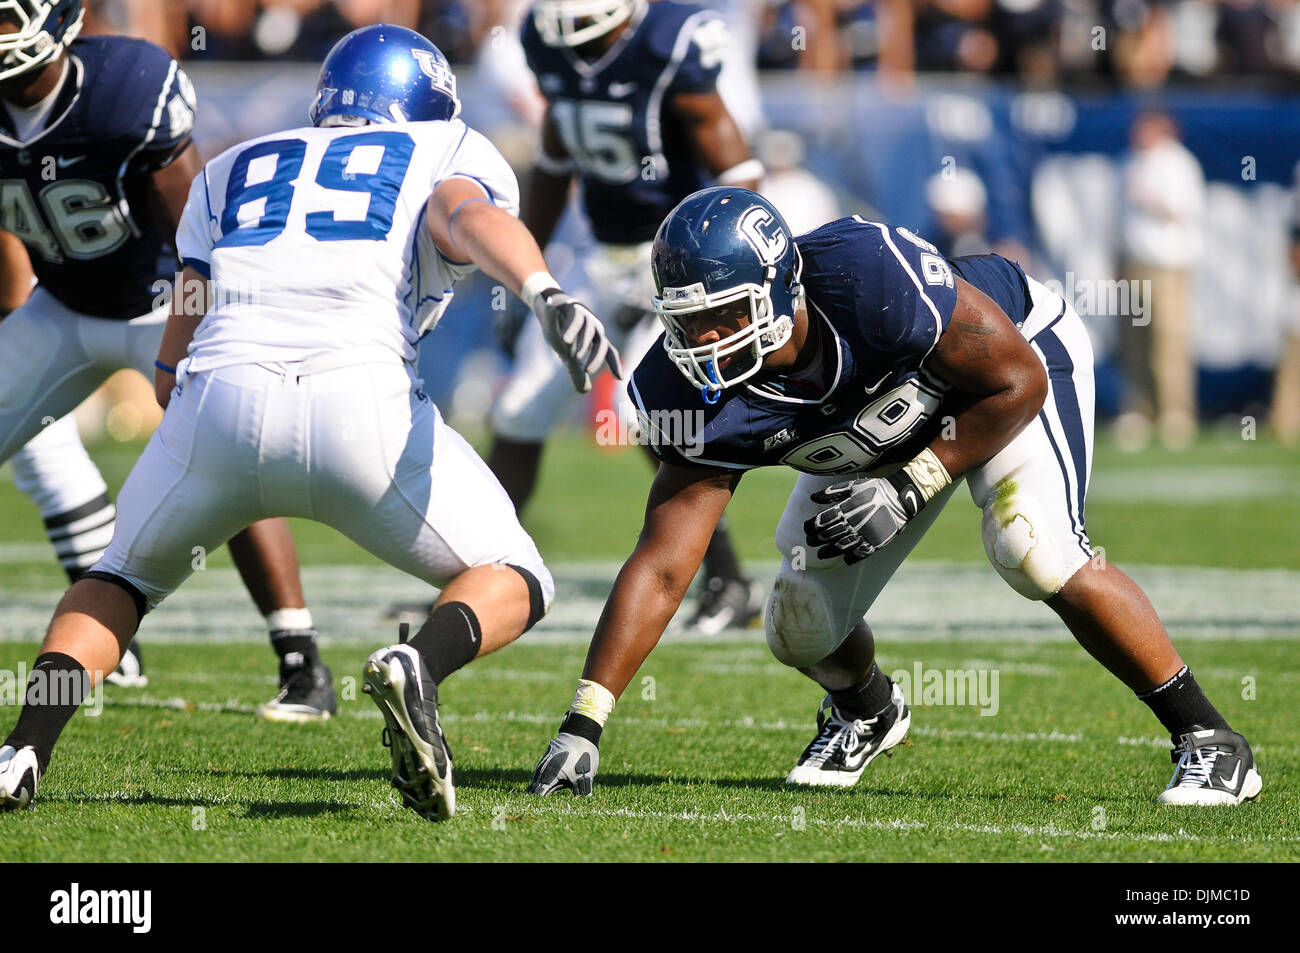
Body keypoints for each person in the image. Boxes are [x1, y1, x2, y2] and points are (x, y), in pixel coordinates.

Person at [0, 23, 619, 820]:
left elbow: (184, 313)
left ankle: (24, 747)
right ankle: (419, 662)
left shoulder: (237, 163)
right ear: (427, 102)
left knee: (116, 581)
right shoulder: (442, 147)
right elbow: (464, 215)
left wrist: (183, 408)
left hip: (217, 394)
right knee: (518, 575)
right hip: (360, 402)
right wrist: (541, 289)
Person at [528, 187, 1262, 808]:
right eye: (687, 321)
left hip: (1006, 366)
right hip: (872, 424)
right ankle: (868, 711)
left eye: (723, 315)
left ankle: (1210, 738)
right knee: (798, 624)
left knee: (1032, 545)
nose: (702, 341)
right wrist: (583, 723)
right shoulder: (687, 387)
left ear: (783, 291)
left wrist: (912, 483)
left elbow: (1017, 381)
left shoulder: (869, 279)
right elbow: (663, 564)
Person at [0, 0, 335, 719]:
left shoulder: (124, 86)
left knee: (228, 447)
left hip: (158, 301)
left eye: (6, 17)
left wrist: (195, 340)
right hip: (59, 307)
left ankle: (301, 658)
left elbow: (197, 233)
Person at [486, 0, 765, 634]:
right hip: (596, 254)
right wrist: (525, 275)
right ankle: (477, 572)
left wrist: (694, 268)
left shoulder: (671, 45)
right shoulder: (550, 42)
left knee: (650, 413)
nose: (579, 51)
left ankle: (727, 580)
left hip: (674, 250)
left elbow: (741, 177)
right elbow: (555, 167)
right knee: (521, 409)